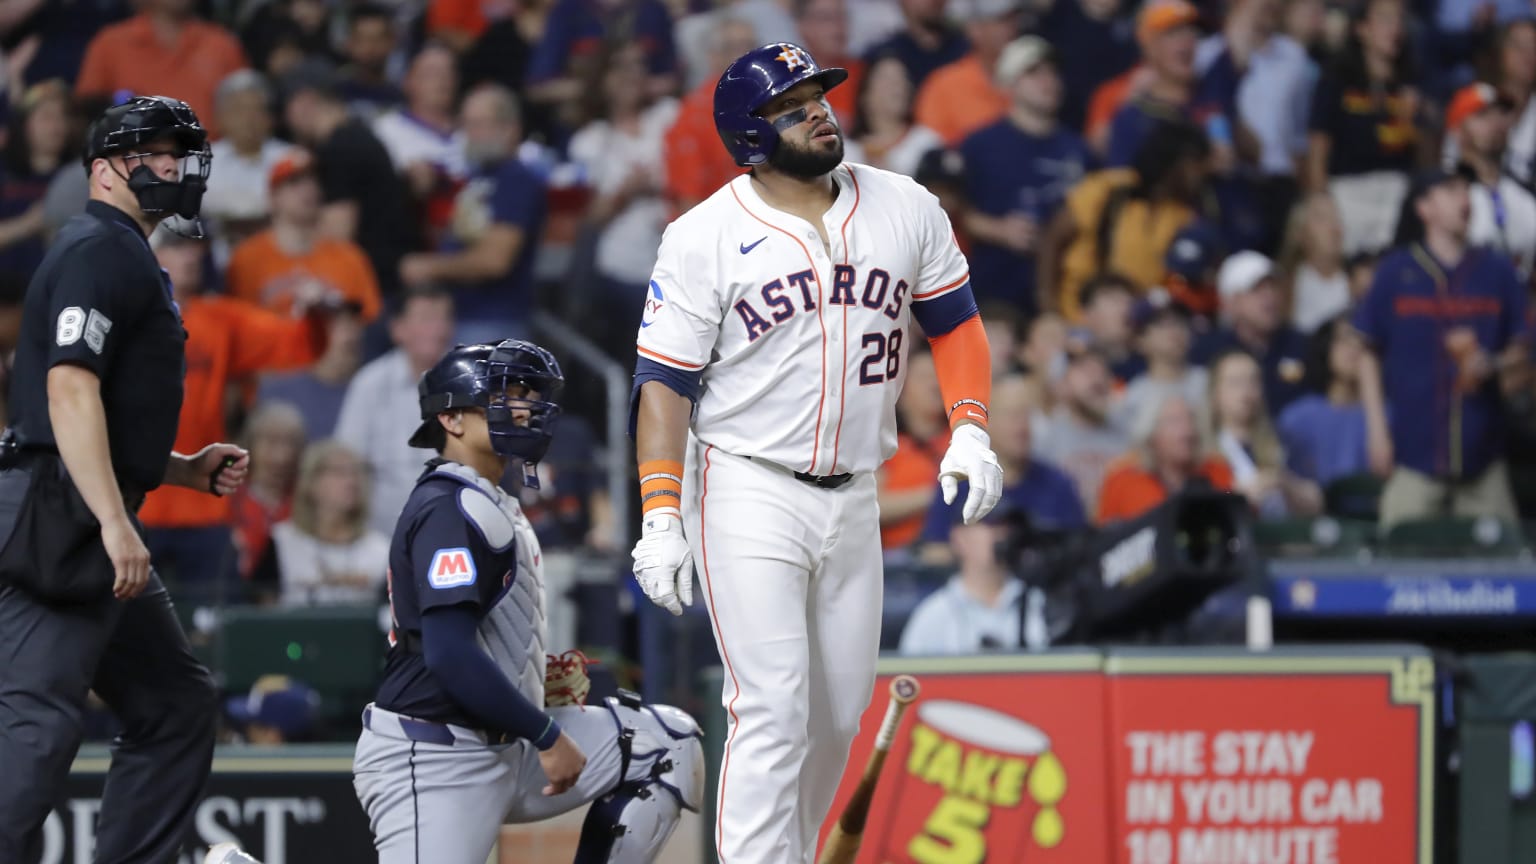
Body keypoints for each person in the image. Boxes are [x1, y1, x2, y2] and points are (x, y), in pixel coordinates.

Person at [629, 42, 1004, 862]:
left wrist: (971, 427)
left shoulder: (904, 205)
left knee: (837, 718)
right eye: (792, 107)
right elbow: (663, 385)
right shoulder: (703, 236)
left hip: (856, 489)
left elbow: (956, 323)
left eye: (819, 97)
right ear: (750, 134)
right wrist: (661, 515)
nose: (819, 113)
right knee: (772, 706)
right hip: (747, 484)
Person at [0, 95, 249, 863]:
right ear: (104, 171)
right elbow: (67, 389)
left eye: (179, 155)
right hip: (57, 522)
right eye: (154, 154)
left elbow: (91, 407)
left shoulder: (122, 252)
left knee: (174, 703)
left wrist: (177, 469)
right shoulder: (97, 248)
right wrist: (114, 522)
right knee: (36, 729)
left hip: (81, 509)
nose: (172, 168)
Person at [353, 339, 704, 863]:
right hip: (436, 756)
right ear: (450, 419)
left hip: (507, 741)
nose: (524, 407)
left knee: (666, 742)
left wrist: (524, 680)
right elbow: (448, 653)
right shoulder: (447, 508)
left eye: (529, 394)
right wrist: (545, 733)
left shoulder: (488, 497)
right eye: (504, 394)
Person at [1355, 169, 1527, 529]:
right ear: (1424, 207)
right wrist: (1376, 430)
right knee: (1397, 551)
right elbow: (1366, 349)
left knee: (1506, 557)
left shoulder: (1496, 270)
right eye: (1450, 190)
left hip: (1483, 454)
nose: (1464, 199)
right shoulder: (1396, 271)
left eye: (1466, 189)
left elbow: (1523, 345)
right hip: (1414, 454)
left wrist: (1494, 363)